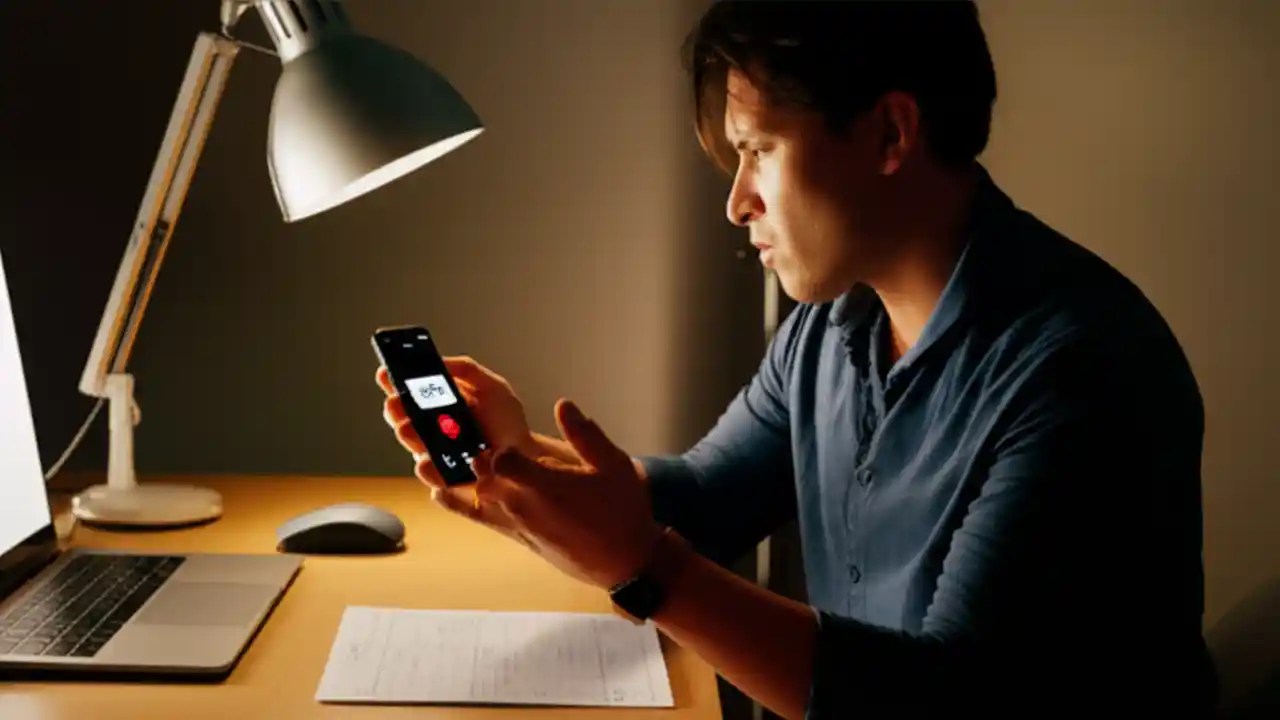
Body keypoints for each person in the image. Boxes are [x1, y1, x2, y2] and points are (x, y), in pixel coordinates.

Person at [377, 2, 1216, 717]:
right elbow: (704, 502)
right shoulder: (831, 328)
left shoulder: (1082, 373)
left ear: (890, 132)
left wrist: (641, 566)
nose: (737, 200)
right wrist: (517, 467)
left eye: (759, 150)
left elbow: (947, 703)